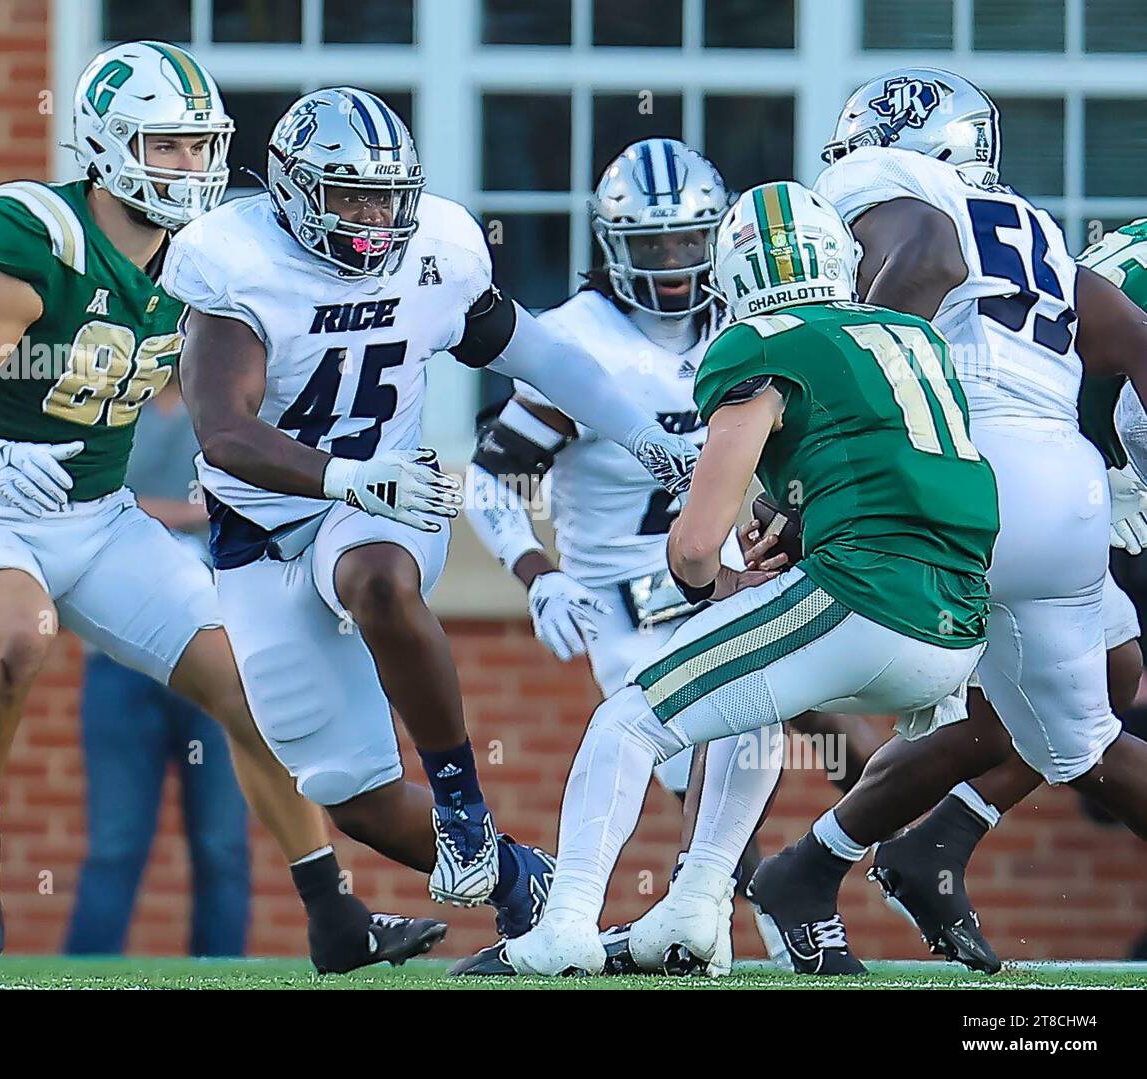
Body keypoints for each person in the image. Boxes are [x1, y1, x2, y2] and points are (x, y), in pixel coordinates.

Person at [0, 42, 441, 973]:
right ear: (109, 146)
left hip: (106, 521)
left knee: (251, 688)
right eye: (168, 146)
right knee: (22, 635)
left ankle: (333, 913)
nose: (191, 168)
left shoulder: (213, 255)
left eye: (201, 148)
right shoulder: (46, 237)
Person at [162, 88, 701, 936]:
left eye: (389, 195)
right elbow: (224, 432)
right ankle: (524, 881)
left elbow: (536, 352)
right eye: (351, 196)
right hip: (262, 529)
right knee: (353, 796)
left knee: (375, 575)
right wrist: (347, 477)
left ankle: (461, 805)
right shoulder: (237, 261)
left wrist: (640, 433)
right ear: (293, 192)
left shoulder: (438, 248)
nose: (376, 216)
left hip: (395, 495)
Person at [500, 181, 999, 977]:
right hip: (957, 618)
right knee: (748, 704)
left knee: (628, 719)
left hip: (864, 595)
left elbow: (698, 544)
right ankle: (696, 908)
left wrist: (709, 582)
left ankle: (565, 925)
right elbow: (901, 467)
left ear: (730, 276)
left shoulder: (757, 342)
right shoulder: (911, 334)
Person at [748, 68, 1147, 975]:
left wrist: (831, 435)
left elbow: (926, 258)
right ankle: (825, 867)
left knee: (752, 647)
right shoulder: (1038, 229)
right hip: (1064, 508)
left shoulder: (892, 193)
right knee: (1085, 741)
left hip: (957, 481)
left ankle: (669, 897)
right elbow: (1131, 340)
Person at [460, 138, 791, 970]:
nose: (675, 264)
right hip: (627, 606)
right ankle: (737, 927)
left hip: (737, 583)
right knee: (702, 774)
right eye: (654, 245)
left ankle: (783, 901)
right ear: (613, 247)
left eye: (689, 242)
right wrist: (540, 575)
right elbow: (491, 481)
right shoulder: (580, 343)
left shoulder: (746, 326)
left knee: (844, 732)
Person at [65, 382, 251, 957]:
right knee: (113, 845)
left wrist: (139, 511)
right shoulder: (106, 411)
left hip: (218, 663)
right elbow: (78, 509)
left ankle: (218, 974)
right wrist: (194, 514)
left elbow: (256, 507)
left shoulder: (230, 407)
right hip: (119, 668)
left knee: (222, 845)